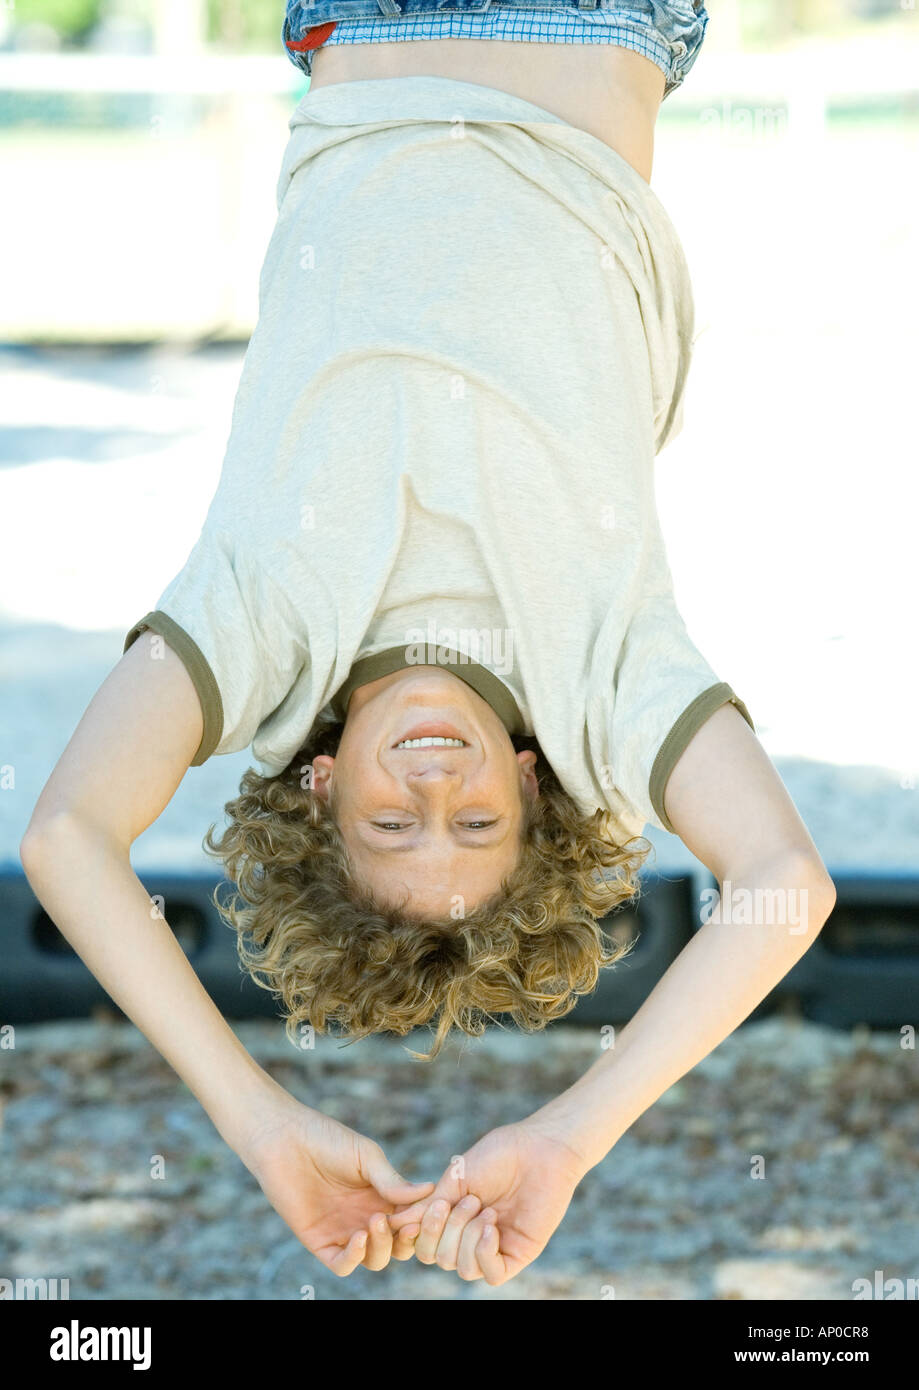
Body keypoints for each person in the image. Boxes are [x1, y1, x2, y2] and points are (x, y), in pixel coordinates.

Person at [20, 3, 837, 1288]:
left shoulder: (260, 643)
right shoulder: (600, 686)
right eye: (475, 824)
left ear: (322, 784)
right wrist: (570, 1136)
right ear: (527, 784)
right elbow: (785, 881)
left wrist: (263, 1120)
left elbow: (64, 837)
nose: (435, 792)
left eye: (392, 827)